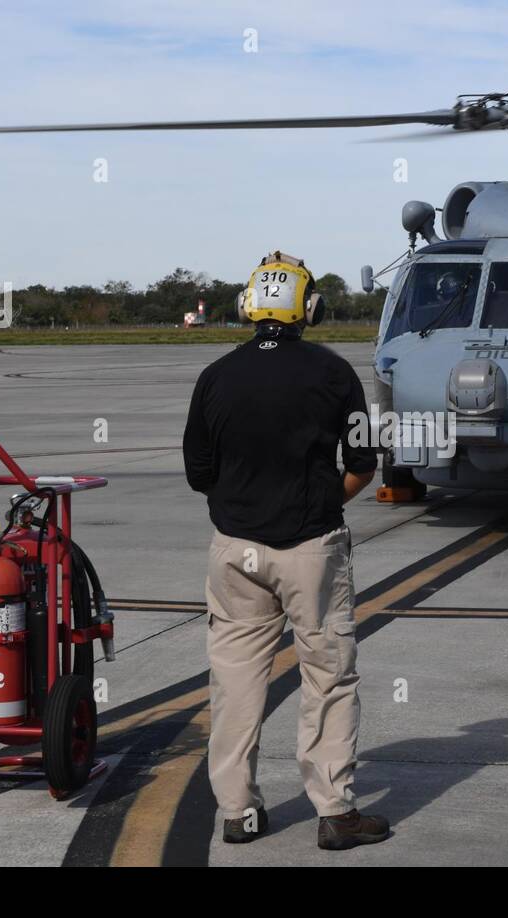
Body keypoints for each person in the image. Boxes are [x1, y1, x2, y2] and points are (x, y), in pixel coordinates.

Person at [183, 250, 388, 850]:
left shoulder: (215, 376)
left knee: (235, 681)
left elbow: (199, 473)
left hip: (234, 550)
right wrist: (321, 506)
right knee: (327, 674)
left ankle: (238, 812)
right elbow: (362, 464)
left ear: (249, 307)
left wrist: (244, 506)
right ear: (309, 310)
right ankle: (334, 812)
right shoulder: (332, 371)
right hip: (310, 548)